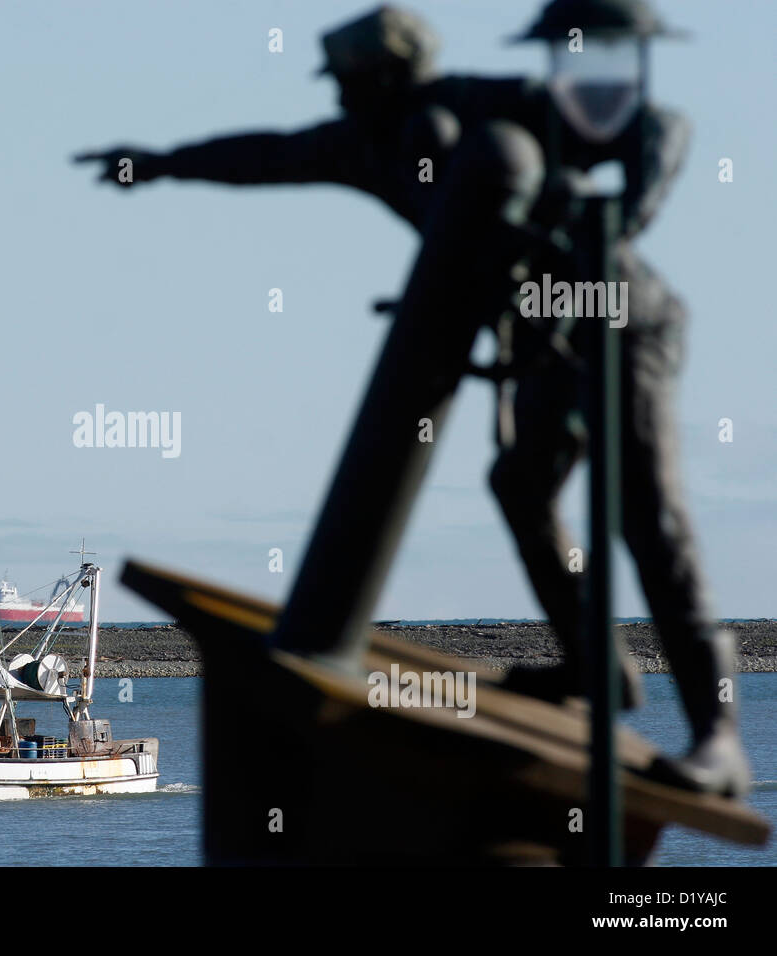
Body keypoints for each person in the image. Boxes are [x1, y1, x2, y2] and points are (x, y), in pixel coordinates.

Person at [77, 1, 747, 795]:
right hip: (540, 339)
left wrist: (618, 214)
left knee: (649, 517)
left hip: (625, 324)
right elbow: (268, 154)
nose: (336, 98)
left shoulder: (482, 105)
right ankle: (596, 667)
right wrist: (156, 163)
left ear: (388, 78)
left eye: (349, 82)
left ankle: (718, 736)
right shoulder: (366, 144)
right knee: (522, 486)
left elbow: (662, 127)